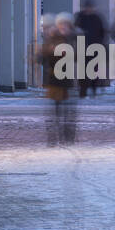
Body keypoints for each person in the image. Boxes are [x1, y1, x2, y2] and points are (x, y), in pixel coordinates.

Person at [40, 13, 77, 144]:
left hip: (67, 79)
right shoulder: (52, 38)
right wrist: (51, 51)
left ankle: (68, 137)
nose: (63, 27)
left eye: (66, 24)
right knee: (54, 110)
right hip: (53, 79)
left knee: (68, 110)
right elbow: (42, 57)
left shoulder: (73, 39)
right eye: (61, 24)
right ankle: (53, 137)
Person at [74, 0, 105, 97]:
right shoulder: (80, 17)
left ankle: (93, 88)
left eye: (90, 7)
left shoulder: (96, 18)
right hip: (82, 47)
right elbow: (74, 31)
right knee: (83, 70)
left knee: (94, 69)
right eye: (87, 7)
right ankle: (83, 90)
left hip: (94, 47)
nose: (89, 9)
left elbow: (102, 32)